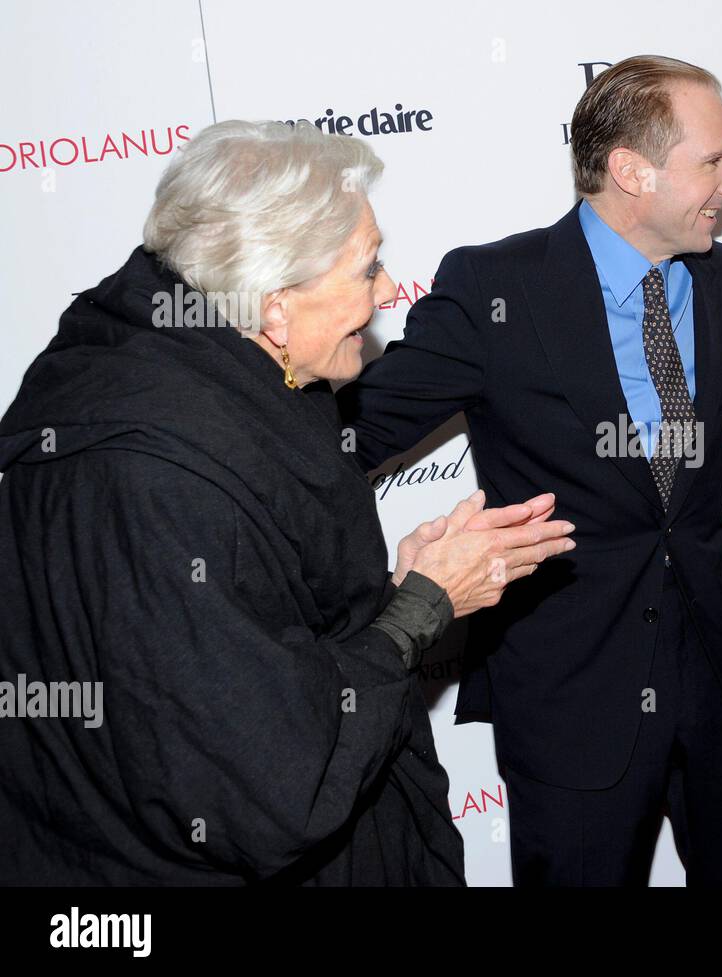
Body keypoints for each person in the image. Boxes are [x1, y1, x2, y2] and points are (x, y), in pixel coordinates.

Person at [337, 55, 722, 886]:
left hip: (719, 677)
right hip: (571, 691)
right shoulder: (499, 289)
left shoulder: (714, 276)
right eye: (714, 161)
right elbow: (354, 432)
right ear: (632, 170)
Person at [0, 120, 575, 885]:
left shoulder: (214, 369)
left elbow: (254, 647)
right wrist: (420, 610)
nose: (385, 293)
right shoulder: (155, 479)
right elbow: (272, 784)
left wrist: (396, 591)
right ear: (274, 304)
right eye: (366, 269)